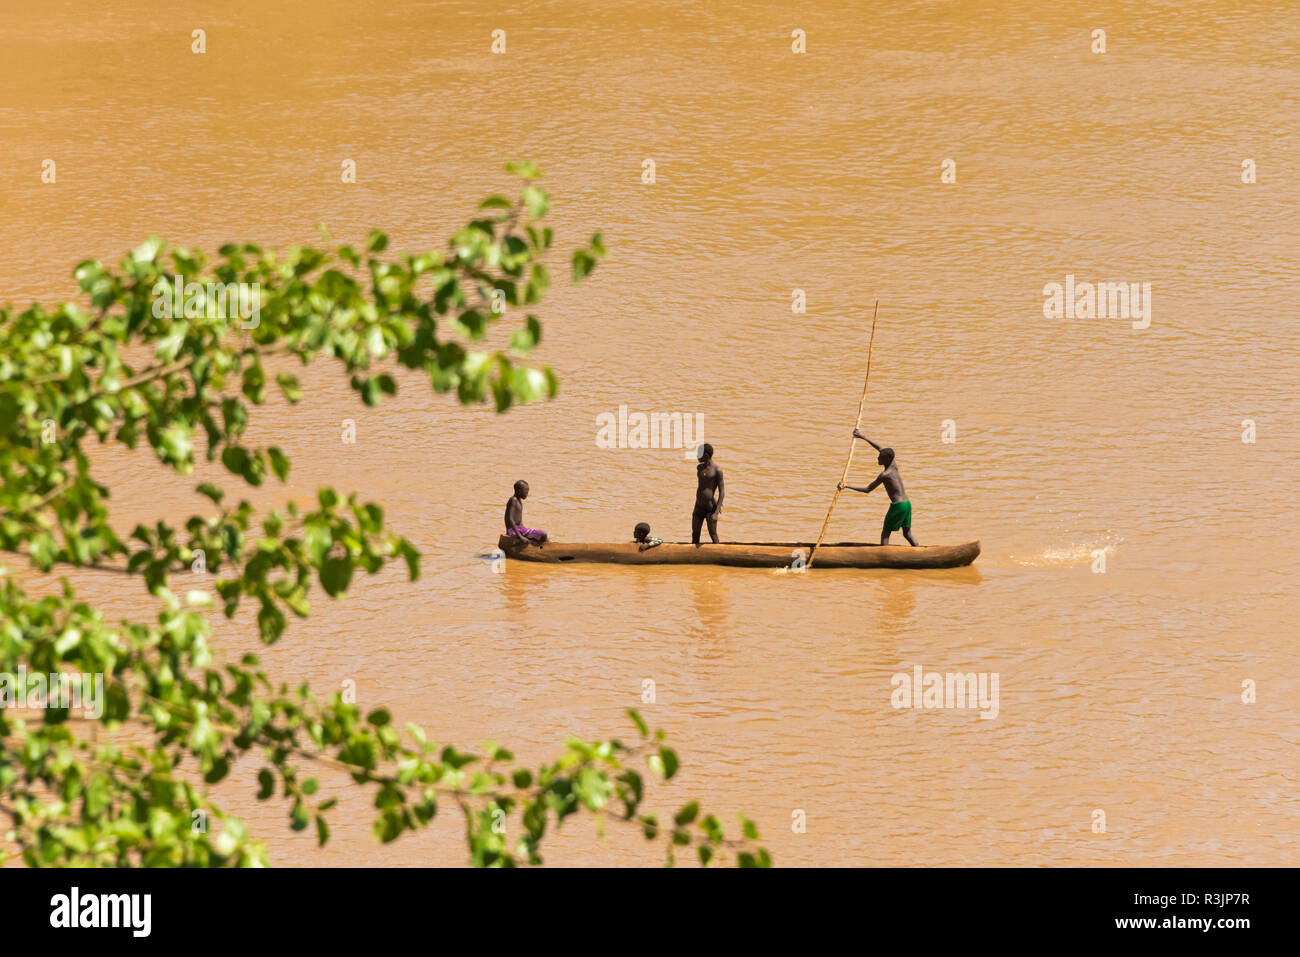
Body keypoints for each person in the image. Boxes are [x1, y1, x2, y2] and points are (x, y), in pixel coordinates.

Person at [839, 429, 919, 546]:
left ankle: (884, 556)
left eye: (880, 457)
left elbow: (867, 489)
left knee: (885, 533)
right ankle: (917, 550)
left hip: (898, 506)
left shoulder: (885, 475)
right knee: (907, 534)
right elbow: (879, 447)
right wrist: (862, 436)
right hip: (907, 504)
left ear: (886, 459)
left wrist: (846, 486)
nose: (877, 458)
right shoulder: (893, 465)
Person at [691, 443, 724, 546]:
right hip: (698, 506)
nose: (697, 456)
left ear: (705, 455)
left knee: (713, 534)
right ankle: (693, 559)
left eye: (699, 454)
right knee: (695, 535)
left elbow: (722, 491)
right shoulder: (699, 468)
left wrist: (716, 511)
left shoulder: (717, 470)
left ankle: (719, 555)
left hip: (710, 507)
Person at [504, 480, 547, 545]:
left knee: (541, 537)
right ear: (519, 491)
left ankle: (536, 548)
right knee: (543, 534)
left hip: (520, 530)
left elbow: (519, 522)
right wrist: (520, 536)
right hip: (513, 531)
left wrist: (525, 532)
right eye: (526, 491)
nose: (527, 494)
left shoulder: (519, 501)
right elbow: (510, 519)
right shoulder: (513, 500)